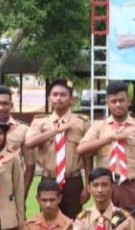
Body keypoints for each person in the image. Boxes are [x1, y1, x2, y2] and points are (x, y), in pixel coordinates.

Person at [81, 81, 135, 219]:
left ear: (129, 101)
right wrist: (110, 138)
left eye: (121, 100)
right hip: (105, 186)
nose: (118, 105)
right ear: (107, 103)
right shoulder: (99, 126)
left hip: (130, 185)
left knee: (131, 228)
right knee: (103, 225)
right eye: (113, 101)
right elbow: (82, 149)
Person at [23, 78, 92, 219]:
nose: (58, 98)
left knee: (74, 222)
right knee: (47, 221)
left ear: (71, 99)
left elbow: (87, 156)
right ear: (49, 98)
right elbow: (29, 142)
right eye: (55, 95)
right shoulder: (39, 122)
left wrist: (87, 186)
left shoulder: (81, 123)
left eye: (63, 95)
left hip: (73, 181)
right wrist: (55, 131)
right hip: (48, 179)